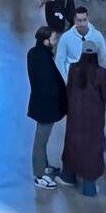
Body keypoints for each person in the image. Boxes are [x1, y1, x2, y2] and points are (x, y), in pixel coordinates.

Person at [59, 44, 106, 196]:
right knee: (91, 150)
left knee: (73, 144)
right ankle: (89, 187)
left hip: (75, 116)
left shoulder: (74, 69)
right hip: (93, 118)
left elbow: (68, 91)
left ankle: (68, 176)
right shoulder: (100, 72)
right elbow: (104, 95)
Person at [27, 25, 68, 189]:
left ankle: (43, 165)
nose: (56, 41)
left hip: (40, 103)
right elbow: (48, 84)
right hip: (45, 105)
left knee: (42, 140)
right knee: (40, 141)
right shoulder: (42, 58)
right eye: (53, 39)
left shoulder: (34, 53)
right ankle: (39, 175)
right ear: (45, 41)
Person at [55, 5, 106, 81]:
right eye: (79, 21)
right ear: (74, 21)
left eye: (84, 20)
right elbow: (59, 61)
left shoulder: (97, 36)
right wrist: (65, 80)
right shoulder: (65, 37)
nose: (82, 24)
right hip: (72, 78)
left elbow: (103, 58)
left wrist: (100, 77)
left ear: (88, 19)